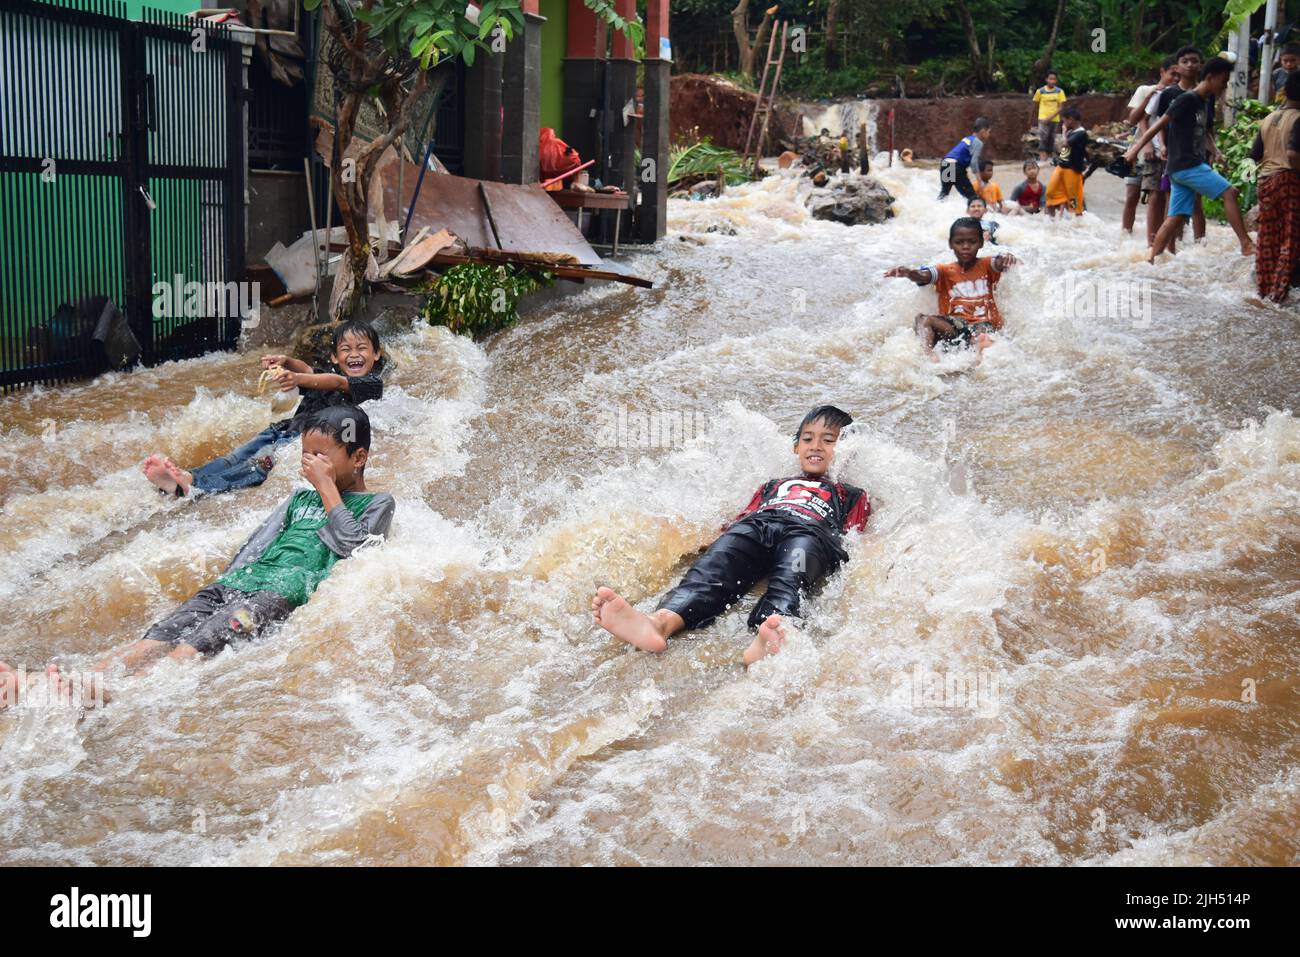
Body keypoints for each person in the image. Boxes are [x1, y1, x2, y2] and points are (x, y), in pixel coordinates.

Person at [3, 407, 397, 708]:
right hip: (241, 584)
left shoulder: (377, 503)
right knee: (154, 638)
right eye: (306, 454)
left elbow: (359, 550)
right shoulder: (298, 497)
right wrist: (223, 585)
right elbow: (257, 546)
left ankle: (105, 699)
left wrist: (327, 487)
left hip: (277, 596)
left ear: (358, 457)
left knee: (190, 650)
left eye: (321, 457)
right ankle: (57, 684)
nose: (309, 465)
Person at [590, 405, 870, 666]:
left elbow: (855, 538)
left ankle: (771, 633)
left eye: (829, 440)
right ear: (795, 447)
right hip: (760, 524)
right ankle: (659, 623)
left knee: (791, 581)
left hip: (808, 533)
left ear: (846, 451)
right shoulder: (773, 485)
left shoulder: (852, 494)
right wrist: (698, 543)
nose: (816, 446)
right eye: (808, 439)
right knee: (712, 571)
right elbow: (740, 519)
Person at [142, 319, 385, 497]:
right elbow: (309, 371)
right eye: (346, 350)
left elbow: (337, 382)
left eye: (362, 348)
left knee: (257, 468)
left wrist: (297, 379)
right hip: (282, 430)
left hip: (298, 443)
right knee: (233, 458)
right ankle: (186, 476)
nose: (355, 355)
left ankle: (195, 487)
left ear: (376, 354)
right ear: (334, 357)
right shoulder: (323, 377)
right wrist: (286, 362)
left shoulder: (371, 384)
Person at [1125, 57, 1255, 261]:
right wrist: (1135, 150)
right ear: (1210, 78)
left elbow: (1203, 133)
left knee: (1174, 217)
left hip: (1180, 168)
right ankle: (1246, 244)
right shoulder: (1187, 99)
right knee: (1230, 192)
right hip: (1187, 165)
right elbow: (1158, 124)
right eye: (1223, 80)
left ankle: (1150, 260)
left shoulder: (1203, 101)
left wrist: (1216, 152)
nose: (1225, 85)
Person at [884, 217, 1018, 356]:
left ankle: (979, 358)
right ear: (950, 244)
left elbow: (998, 262)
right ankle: (928, 358)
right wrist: (908, 272)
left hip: (983, 324)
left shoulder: (988, 264)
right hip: (955, 327)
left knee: (981, 336)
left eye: (972, 242)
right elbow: (924, 275)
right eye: (959, 242)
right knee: (922, 319)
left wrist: (1006, 258)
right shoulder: (944, 270)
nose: (965, 246)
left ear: (981, 243)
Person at [1148, 46, 1209, 250]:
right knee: (1171, 201)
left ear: (1200, 64)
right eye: (1185, 61)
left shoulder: (1206, 93)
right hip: (1175, 156)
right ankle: (1169, 249)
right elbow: (1160, 124)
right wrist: (1162, 145)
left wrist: (1215, 151)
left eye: (1194, 61)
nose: (1190, 65)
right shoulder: (1169, 94)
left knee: (1197, 201)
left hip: (1199, 154)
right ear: (1178, 66)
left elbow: (1208, 127)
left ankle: (1201, 247)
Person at [1251, 70, 1300, 301]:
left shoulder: (1270, 118)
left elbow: (1255, 154)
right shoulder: (1299, 118)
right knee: (1291, 237)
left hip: (1265, 181)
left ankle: (1264, 290)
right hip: (1289, 180)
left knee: (1268, 238)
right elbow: (1292, 154)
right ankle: (1280, 294)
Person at [1124, 58, 1178, 239]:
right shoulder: (1145, 90)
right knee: (1132, 195)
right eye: (1172, 74)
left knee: (1160, 195)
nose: (1175, 78)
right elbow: (1137, 119)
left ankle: (1158, 239)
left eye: (1178, 75)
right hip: (1140, 149)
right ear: (1162, 72)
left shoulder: (1178, 94)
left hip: (1160, 151)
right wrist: (1146, 144)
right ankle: (1126, 236)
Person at [1045, 107, 1088, 216]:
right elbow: (1064, 150)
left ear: (1071, 120)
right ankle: (1052, 219)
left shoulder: (1081, 133)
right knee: (1050, 192)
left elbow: (1065, 144)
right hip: (1061, 166)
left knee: (1073, 196)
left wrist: (1064, 132)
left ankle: (1076, 217)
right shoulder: (1071, 132)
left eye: (1064, 120)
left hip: (1072, 169)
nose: (1063, 123)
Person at [939, 117, 992, 202]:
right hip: (956, 166)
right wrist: (980, 181)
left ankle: (935, 210)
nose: (989, 135)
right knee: (972, 198)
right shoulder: (978, 142)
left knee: (944, 194)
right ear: (983, 131)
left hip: (945, 164)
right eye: (989, 132)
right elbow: (974, 163)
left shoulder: (967, 138)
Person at [1031, 71, 1068, 162]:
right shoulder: (1040, 91)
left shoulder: (1059, 91)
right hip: (1043, 119)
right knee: (1043, 137)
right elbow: (1035, 105)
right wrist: (1033, 118)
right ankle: (1043, 158)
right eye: (1050, 79)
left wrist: (1050, 117)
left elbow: (1061, 107)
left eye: (1054, 79)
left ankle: (1049, 157)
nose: (1052, 81)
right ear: (1046, 79)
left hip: (1054, 119)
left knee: (1051, 138)